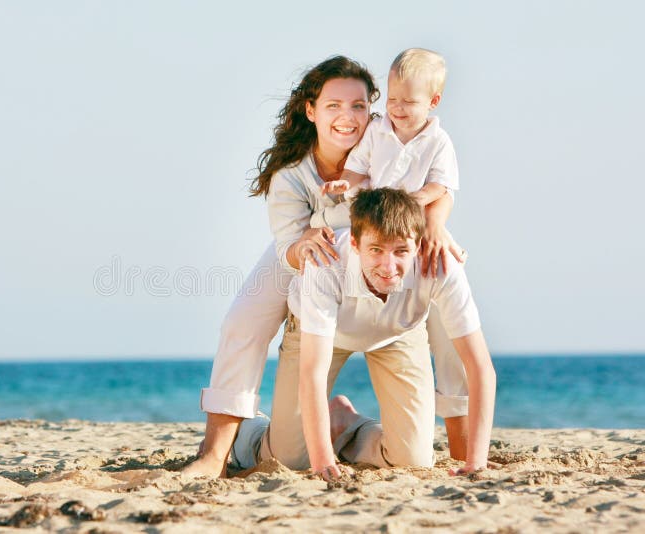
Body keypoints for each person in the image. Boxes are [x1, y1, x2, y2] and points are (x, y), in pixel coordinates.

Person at [184, 56, 465, 478]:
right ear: (311, 110)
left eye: (358, 106)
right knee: (242, 323)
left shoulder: (387, 137)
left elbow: (438, 184)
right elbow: (287, 248)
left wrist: (438, 224)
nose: (348, 118)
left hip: (376, 257)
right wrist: (303, 245)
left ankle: (460, 448)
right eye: (333, 105)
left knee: (443, 307)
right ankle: (216, 451)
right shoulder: (293, 176)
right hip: (309, 255)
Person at [230, 188, 496, 480]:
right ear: (355, 244)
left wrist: (477, 462)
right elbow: (312, 373)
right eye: (376, 250)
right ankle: (247, 429)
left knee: (412, 460)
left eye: (401, 251)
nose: (388, 266)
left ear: (418, 246)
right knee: (292, 459)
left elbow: (480, 367)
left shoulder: (441, 266)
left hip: (397, 333)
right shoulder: (326, 263)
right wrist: (322, 464)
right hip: (319, 333)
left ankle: (345, 423)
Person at [321, 48, 458, 214]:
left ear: (433, 101)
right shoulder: (376, 130)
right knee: (325, 224)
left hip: (407, 219)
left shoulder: (438, 141)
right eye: (392, 98)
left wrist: (417, 198)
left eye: (409, 101)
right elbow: (357, 167)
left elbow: (440, 183)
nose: (397, 107)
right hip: (370, 214)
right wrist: (345, 183)